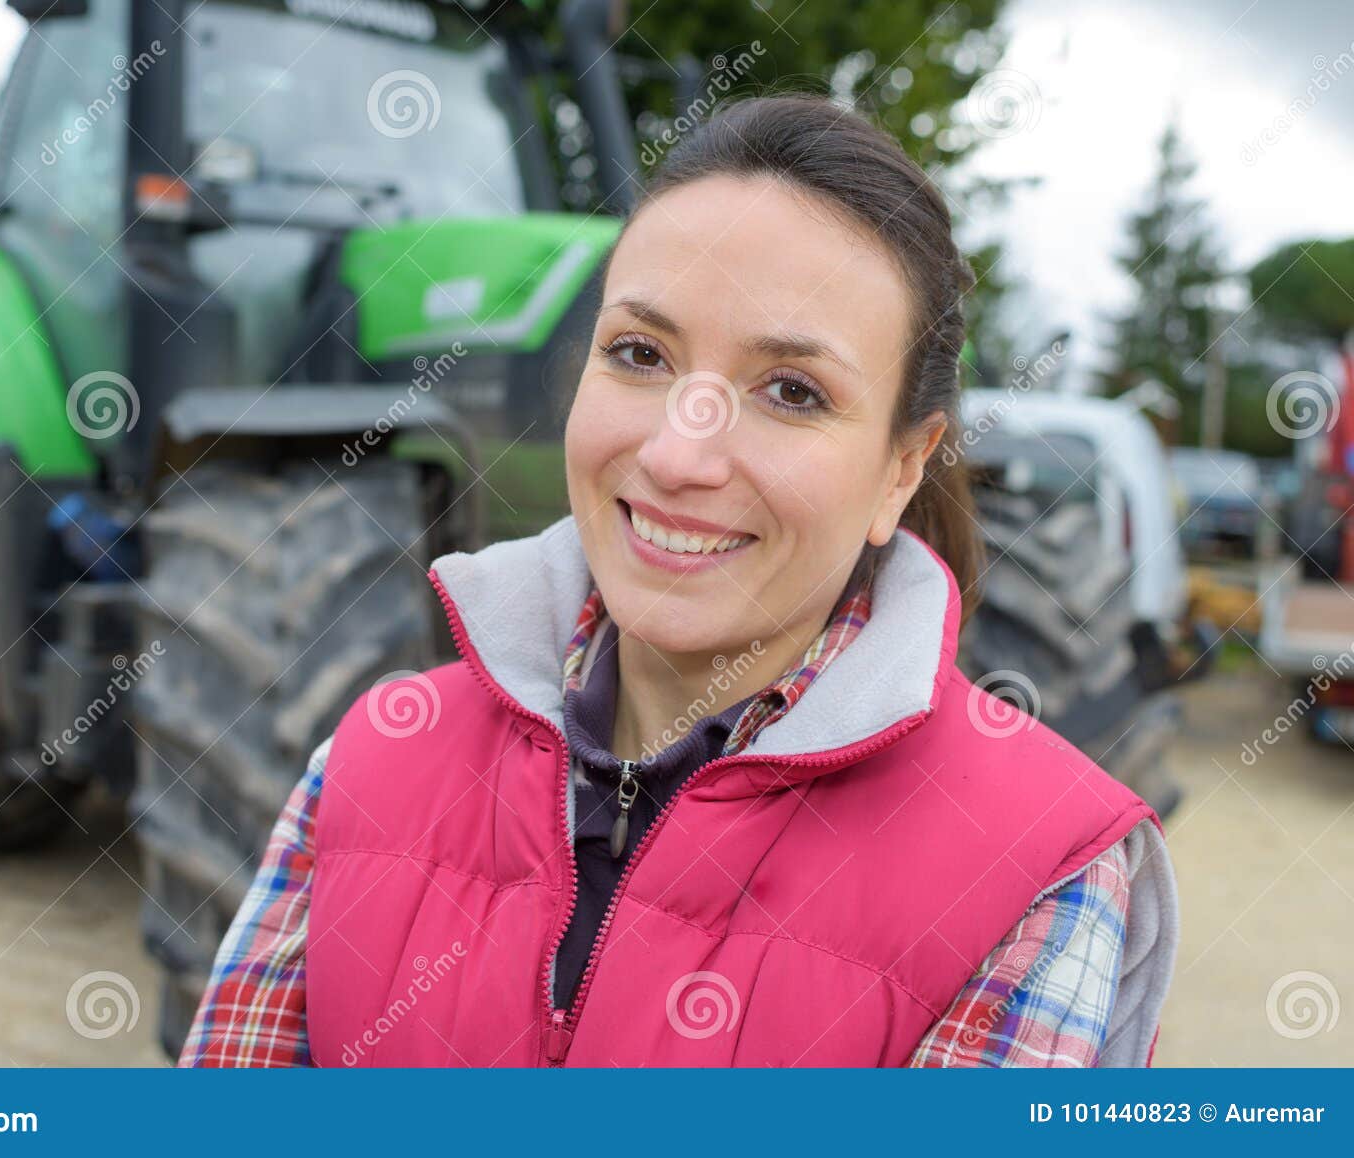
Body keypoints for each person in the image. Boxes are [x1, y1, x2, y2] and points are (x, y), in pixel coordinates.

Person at [179, 93, 1178, 1068]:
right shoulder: (364, 764)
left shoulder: (1039, 878)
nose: (676, 456)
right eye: (639, 353)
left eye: (791, 391)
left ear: (900, 471)